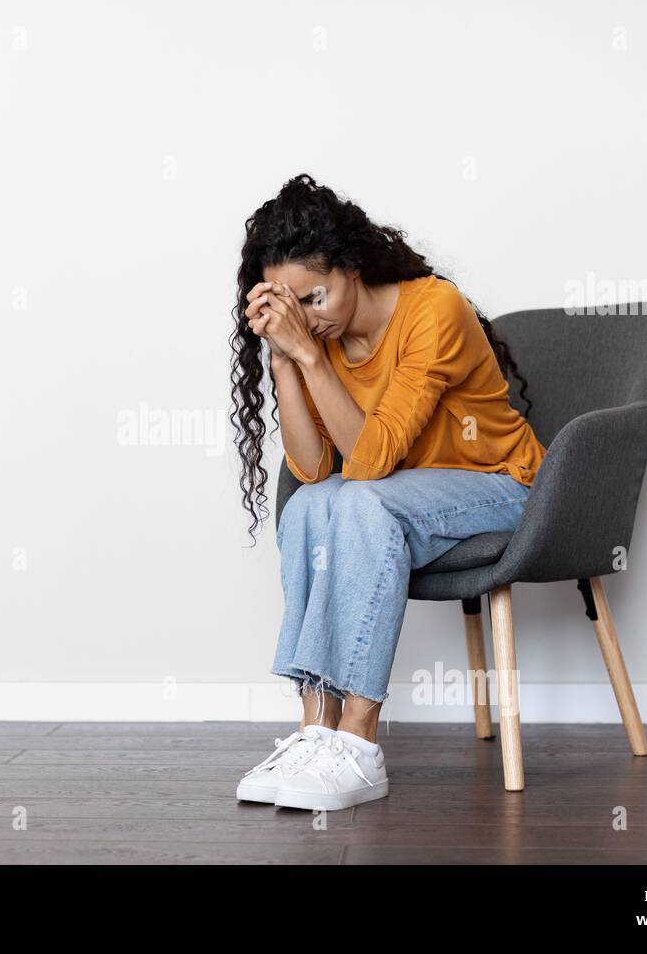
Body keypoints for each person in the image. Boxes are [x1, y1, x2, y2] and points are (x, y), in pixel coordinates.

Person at [229, 174, 547, 810]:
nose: (306, 318)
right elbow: (317, 469)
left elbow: (370, 463)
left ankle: (358, 742)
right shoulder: (317, 340)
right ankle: (315, 728)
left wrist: (310, 357)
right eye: (288, 307)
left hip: (506, 488)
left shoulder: (433, 309)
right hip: (410, 497)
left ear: (353, 266)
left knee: (362, 498)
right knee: (312, 504)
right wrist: (287, 359)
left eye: (313, 298)